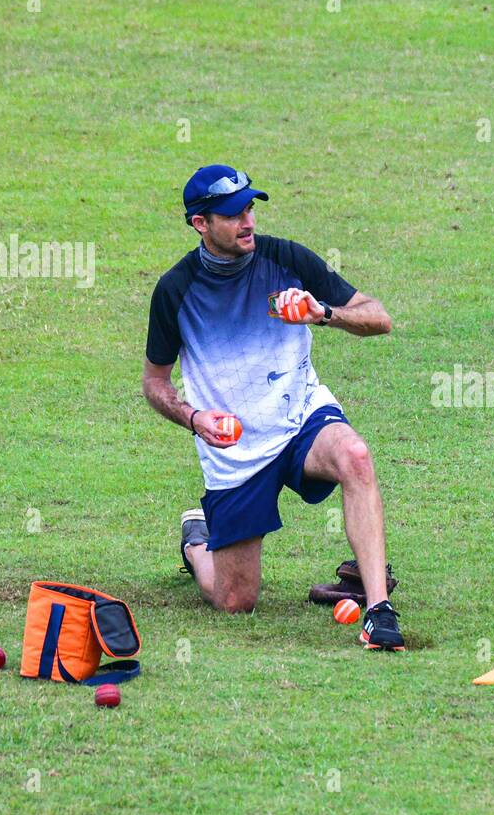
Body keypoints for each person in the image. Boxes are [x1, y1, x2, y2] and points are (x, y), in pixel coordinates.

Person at [141, 165, 404, 650]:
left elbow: (379, 318)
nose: (246, 221)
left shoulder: (285, 258)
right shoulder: (175, 291)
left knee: (356, 455)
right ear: (200, 223)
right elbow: (154, 383)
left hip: (299, 418)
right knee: (234, 600)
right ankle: (197, 542)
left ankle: (378, 610)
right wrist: (193, 419)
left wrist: (323, 313)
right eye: (230, 214)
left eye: (249, 208)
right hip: (236, 449)